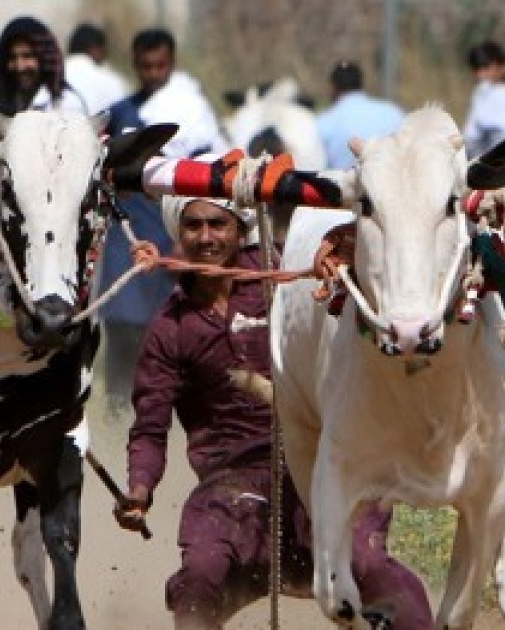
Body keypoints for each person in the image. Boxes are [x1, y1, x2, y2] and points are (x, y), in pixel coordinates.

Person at [114, 195, 432, 630]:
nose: (206, 237)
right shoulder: (169, 327)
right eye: (193, 226)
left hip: (330, 456)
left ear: (240, 229)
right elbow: (150, 425)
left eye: (217, 224)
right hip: (232, 479)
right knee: (201, 572)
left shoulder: (289, 279)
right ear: (178, 233)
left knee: (366, 561)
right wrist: (140, 487)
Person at [98, 28, 228, 430]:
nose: (153, 72)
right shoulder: (120, 114)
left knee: (176, 336)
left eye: (160, 65)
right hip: (128, 238)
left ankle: (172, 427)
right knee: (122, 333)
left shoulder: (188, 113)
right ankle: (116, 423)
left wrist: (184, 244)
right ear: (136, 65)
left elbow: (207, 177)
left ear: (171, 64)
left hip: (173, 239)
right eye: (146, 65)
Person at [0, 15, 86, 114]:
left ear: (45, 58)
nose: (20, 67)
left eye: (27, 56)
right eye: (12, 57)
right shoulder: (0, 104)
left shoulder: (67, 104)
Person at [316, 60, 404, 169]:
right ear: (360, 83)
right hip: (393, 183)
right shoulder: (394, 113)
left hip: (343, 184)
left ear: (334, 87)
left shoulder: (324, 122)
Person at [462, 40, 505, 158]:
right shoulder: (479, 93)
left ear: (502, 67)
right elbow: (471, 133)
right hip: (480, 153)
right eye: (477, 69)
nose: (481, 74)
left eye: (486, 67)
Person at [64, 22, 128, 115]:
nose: (105, 56)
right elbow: (124, 118)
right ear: (95, 48)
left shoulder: (49, 75)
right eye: (104, 50)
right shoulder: (109, 80)